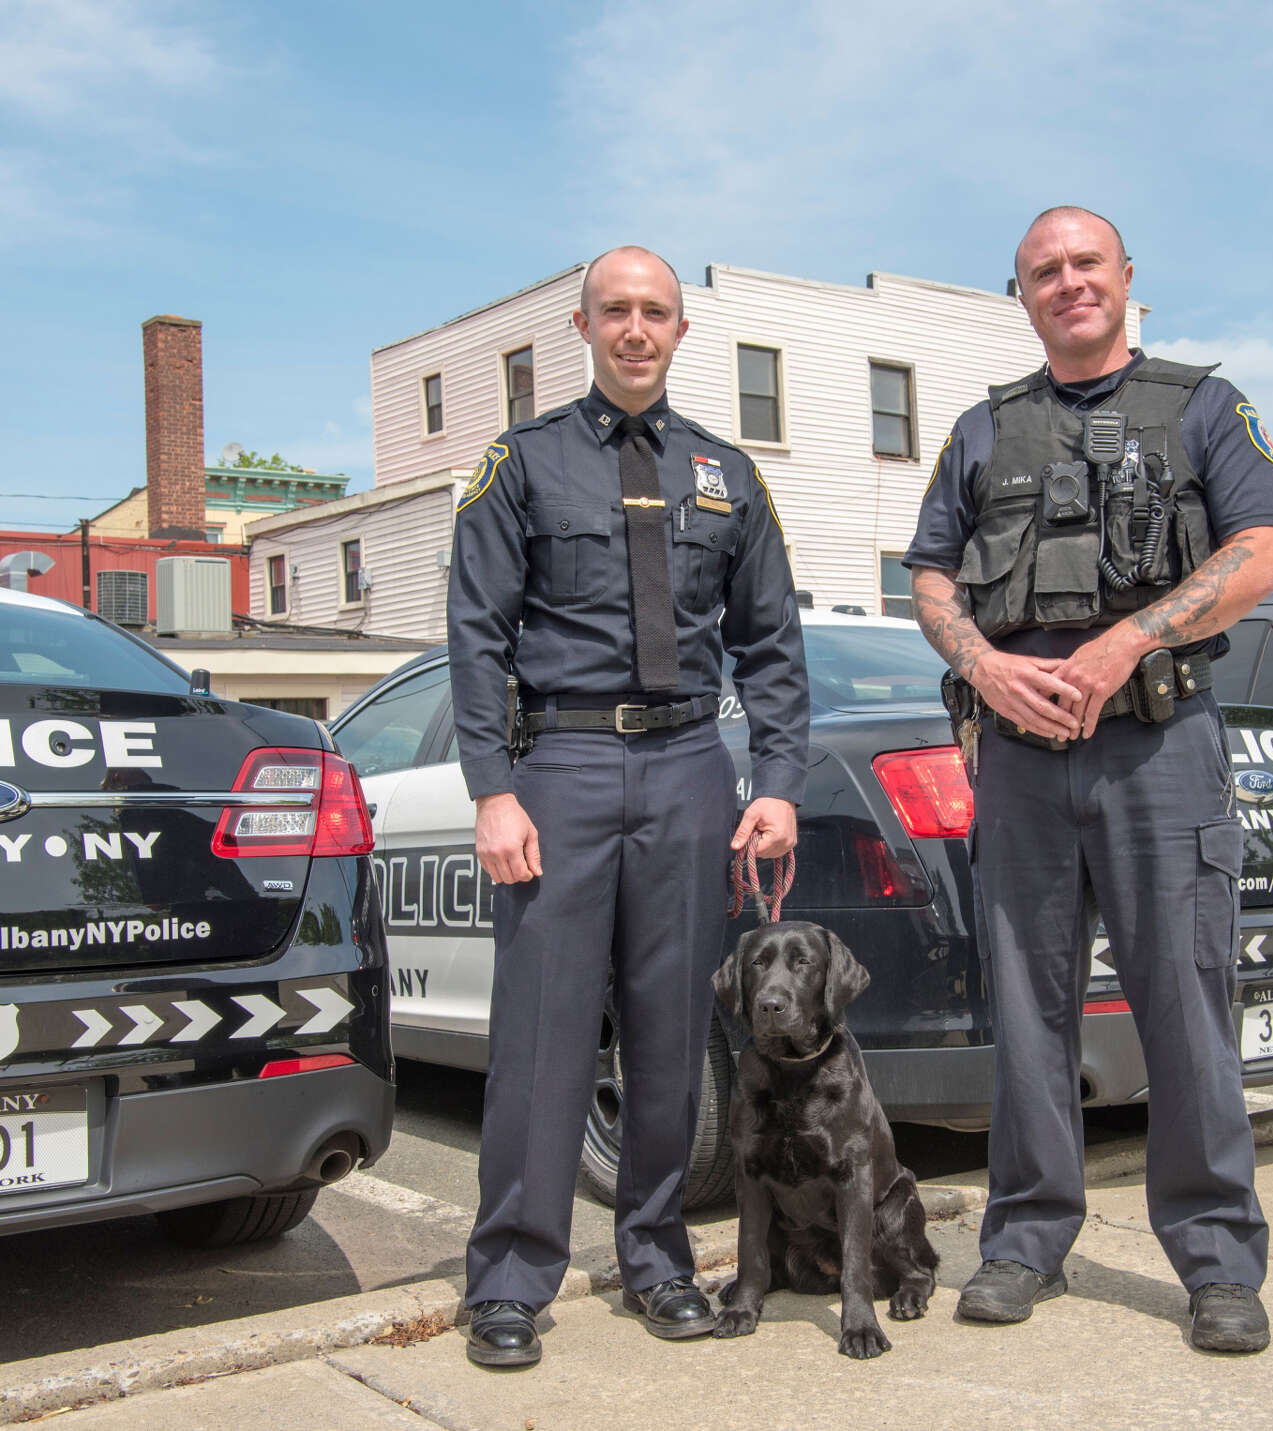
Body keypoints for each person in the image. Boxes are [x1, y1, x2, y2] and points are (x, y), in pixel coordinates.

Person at [905, 207, 1273, 1355]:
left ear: (1126, 278)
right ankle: (1024, 1243)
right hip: (1023, 763)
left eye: (1086, 264)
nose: (1068, 283)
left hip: (1158, 749)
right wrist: (983, 663)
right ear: (1019, 295)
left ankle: (1219, 1263)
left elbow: (1265, 548)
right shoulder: (982, 430)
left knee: (1186, 1006)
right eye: (1045, 272)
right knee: (1028, 1013)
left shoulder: (1206, 408)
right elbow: (932, 573)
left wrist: (1130, 641)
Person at [448, 245, 808, 1368]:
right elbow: (475, 637)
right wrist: (493, 792)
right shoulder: (523, 463)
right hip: (560, 770)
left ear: (681, 330)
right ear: (584, 324)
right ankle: (511, 1278)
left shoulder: (726, 473)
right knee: (543, 1037)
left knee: (669, 1036)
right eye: (617, 311)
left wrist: (780, 784)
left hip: (690, 769)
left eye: (656, 312)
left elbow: (772, 645)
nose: (636, 329)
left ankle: (658, 1257)